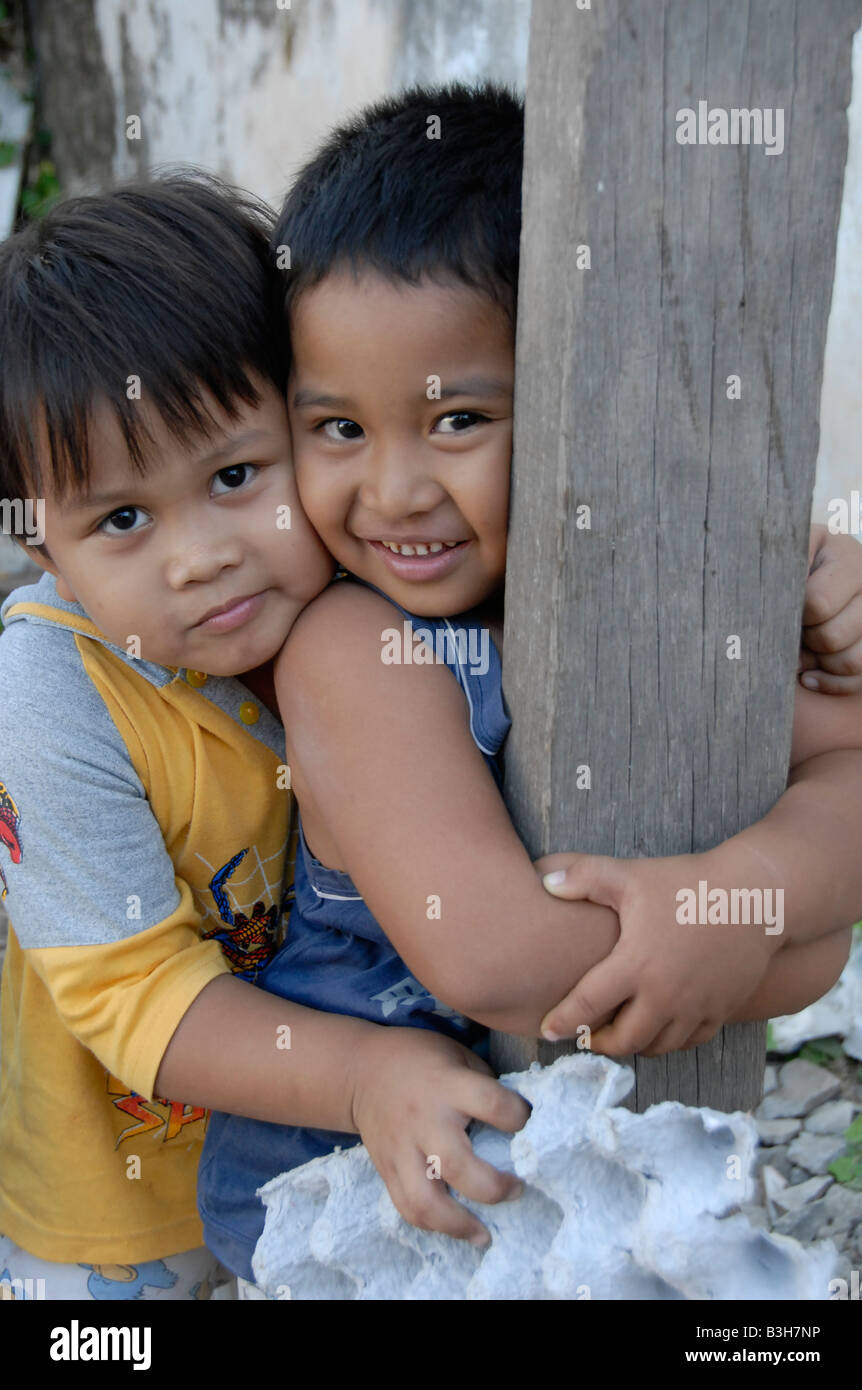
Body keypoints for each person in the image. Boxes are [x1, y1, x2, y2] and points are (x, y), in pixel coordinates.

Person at [196, 83, 862, 1292]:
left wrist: (742, 889)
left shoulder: (650, 603)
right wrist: (776, 934)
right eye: (336, 429)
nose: (393, 490)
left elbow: (859, 767)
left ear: (580, 407)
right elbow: (495, 958)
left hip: (565, 1192)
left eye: (459, 417)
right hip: (363, 1203)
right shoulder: (352, 647)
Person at [0, 173, 530, 1301]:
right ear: (44, 547)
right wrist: (367, 1072)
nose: (201, 558)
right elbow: (132, 991)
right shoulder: (49, 695)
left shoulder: (354, 567)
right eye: (123, 520)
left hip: (317, 1157)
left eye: (238, 476)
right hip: (118, 1202)